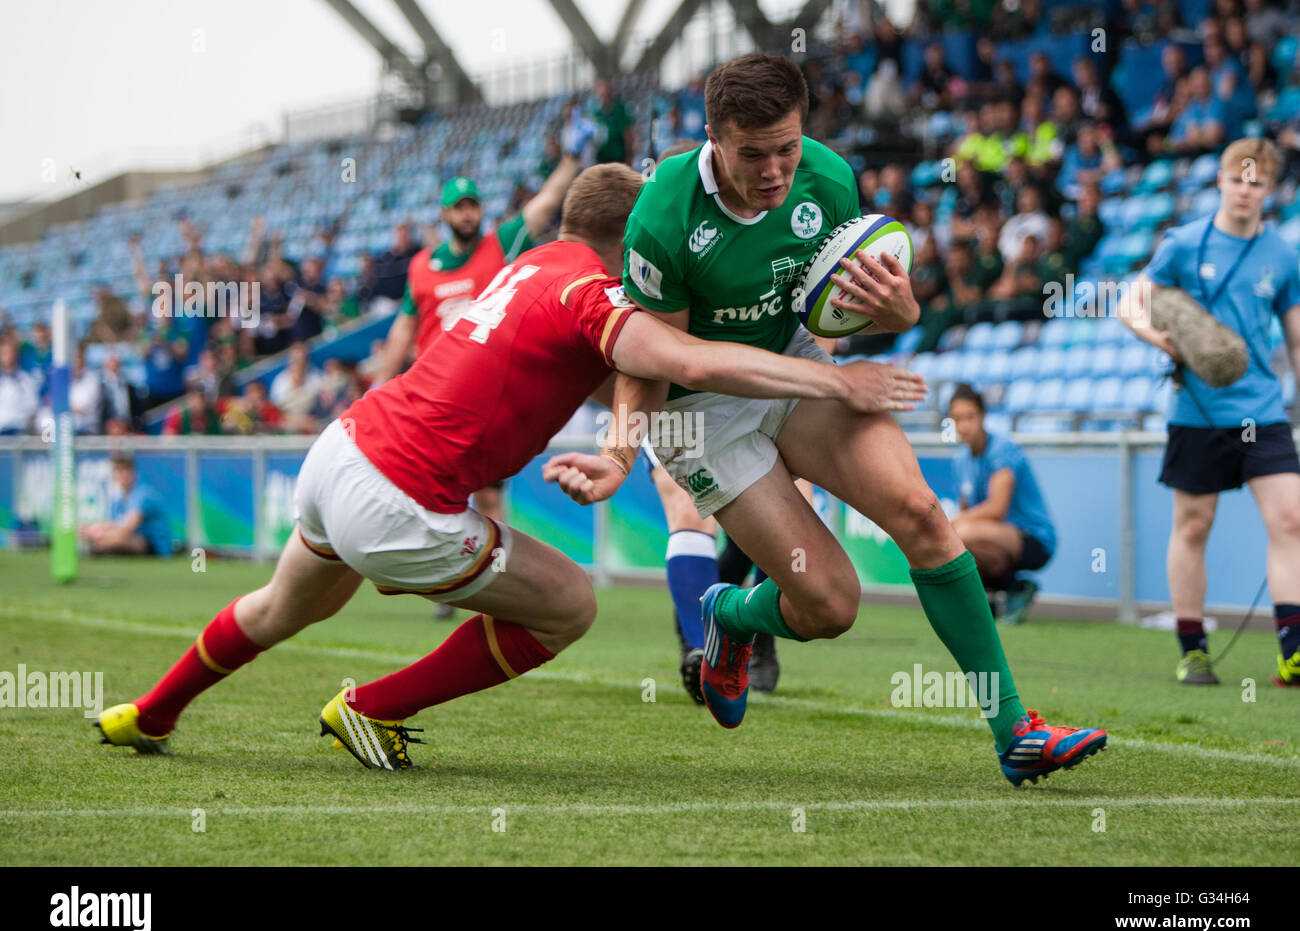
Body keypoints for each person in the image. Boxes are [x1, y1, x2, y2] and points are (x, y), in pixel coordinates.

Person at [93, 163, 923, 768]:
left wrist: (625, 443)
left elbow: (611, 378)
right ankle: (368, 708)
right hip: (398, 497)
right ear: (632, 239)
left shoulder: (524, 262)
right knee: (569, 605)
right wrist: (832, 377)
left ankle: (152, 713)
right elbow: (689, 362)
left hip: (342, 450)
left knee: (277, 606)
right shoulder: (593, 291)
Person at [564, 53, 1106, 786]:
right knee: (831, 603)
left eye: (787, 146)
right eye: (753, 154)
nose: (775, 171)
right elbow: (654, 362)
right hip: (701, 414)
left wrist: (900, 311)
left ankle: (1015, 729)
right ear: (713, 140)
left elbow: (864, 310)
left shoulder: (827, 177)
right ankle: (733, 615)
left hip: (796, 367)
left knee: (919, 512)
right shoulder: (662, 212)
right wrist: (622, 456)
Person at [372, 114, 595, 577]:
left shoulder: (501, 245)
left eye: (473, 205)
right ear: (445, 214)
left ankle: (498, 575)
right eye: (459, 207)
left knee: (490, 492)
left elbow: (547, 201)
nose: (467, 213)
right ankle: (429, 570)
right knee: (426, 487)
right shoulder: (422, 268)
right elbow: (402, 329)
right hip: (432, 393)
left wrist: (572, 158)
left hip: (483, 392)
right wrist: (378, 384)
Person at [1118, 138, 1300, 687]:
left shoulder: (1283, 255)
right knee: (1193, 525)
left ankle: (1293, 650)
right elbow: (1131, 302)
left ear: (1270, 191)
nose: (1246, 190)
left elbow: (1295, 340)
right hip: (1196, 411)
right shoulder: (1183, 242)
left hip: (1263, 410)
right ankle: (1192, 649)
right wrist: (1159, 339)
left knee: (1290, 519)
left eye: (1257, 182)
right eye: (1238, 179)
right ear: (1221, 180)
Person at [948, 384, 1057, 624]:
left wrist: (953, 521)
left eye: (970, 417)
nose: (964, 425)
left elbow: (997, 508)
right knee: (952, 539)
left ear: (983, 416)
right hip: (994, 539)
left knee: (959, 532)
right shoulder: (960, 460)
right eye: (957, 418)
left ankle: (1006, 592)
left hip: (1033, 538)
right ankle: (1012, 591)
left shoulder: (1002, 449)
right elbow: (967, 509)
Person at [81, 456, 173, 556]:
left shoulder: (142, 495)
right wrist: (92, 530)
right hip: (134, 539)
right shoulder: (119, 500)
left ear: (134, 473)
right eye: (118, 471)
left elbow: (127, 528)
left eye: (126, 470)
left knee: (118, 539)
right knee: (108, 536)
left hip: (155, 546)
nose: (123, 475)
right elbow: (114, 524)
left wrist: (101, 538)